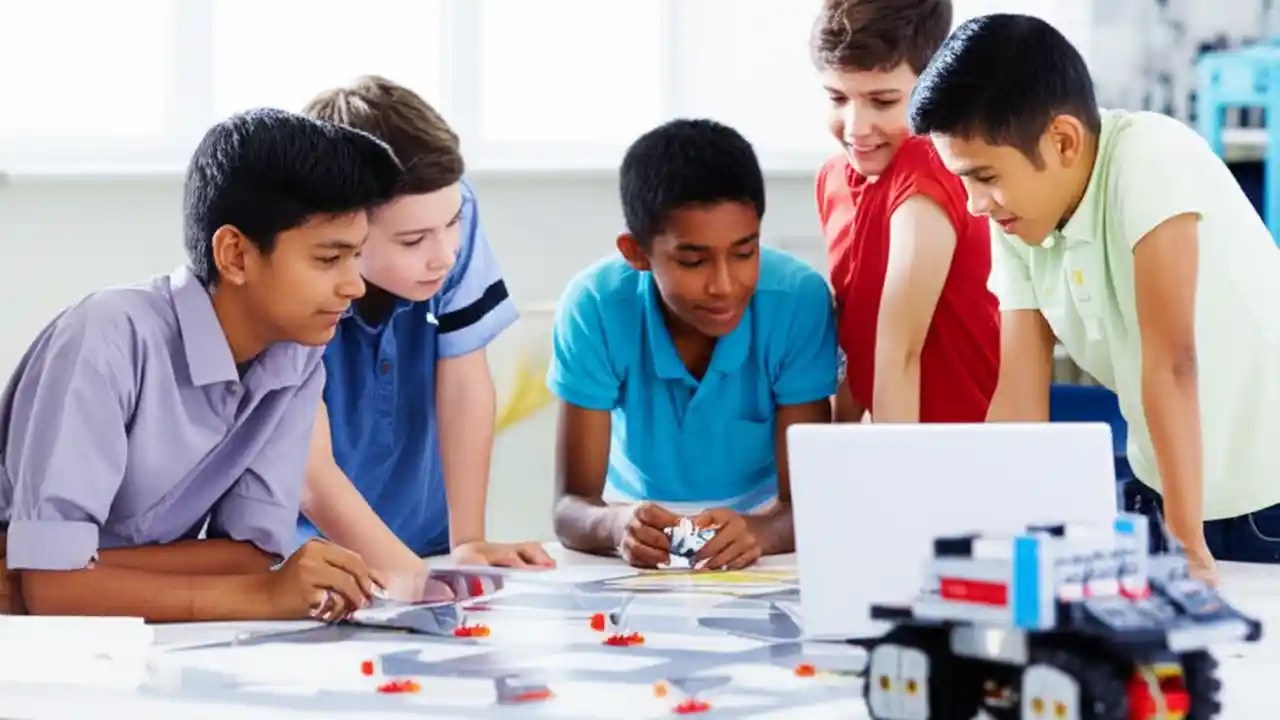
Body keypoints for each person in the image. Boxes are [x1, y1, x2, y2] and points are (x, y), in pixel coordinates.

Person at [908, 13, 1280, 583]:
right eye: (963, 180)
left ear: (1062, 141)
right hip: (1166, 491)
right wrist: (977, 538)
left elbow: (1172, 363)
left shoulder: (1149, 158)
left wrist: (1186, 544)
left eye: (984, 177)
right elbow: (1018, 397)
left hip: (1263, 494)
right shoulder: (1017, 216)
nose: (975, 203)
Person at [0, 108, 402, 619]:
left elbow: (250, 556)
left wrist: (85, 571)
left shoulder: (298, 357)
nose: (355, 285)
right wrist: (261, 596)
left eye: (356, 256)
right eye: (328, 259)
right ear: (235, 255)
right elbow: (56, 593)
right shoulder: (107, 337)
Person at [549, 119, 839, 570]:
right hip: (635, 524)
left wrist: (758, 531)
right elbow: (570, 506)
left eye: (745, 253)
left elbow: (807, 504)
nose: (724, 285)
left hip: (764, 530)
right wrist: (615, 526)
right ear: (636, 253)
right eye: (693, 261)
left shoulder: (797, 300)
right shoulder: (595, 306)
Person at [297, 75, 553, 571]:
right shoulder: (294, 277)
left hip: (425, 543)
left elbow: (464, 380)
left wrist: (468, 543)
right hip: (303, 552)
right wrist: (401, 573)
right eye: (413, 241)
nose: (445, 255)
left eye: (454, 222)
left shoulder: (445, 210)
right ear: (337, 227)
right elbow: (309, 471)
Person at [810, 0, 999, 424]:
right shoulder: (833, 178)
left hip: (966, 447)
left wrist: (891, 482)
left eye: (883, 101)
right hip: (895, 437)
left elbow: (901, 353)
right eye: (837, 97)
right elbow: (855, 337)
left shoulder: (929, 161)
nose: (855, 126)